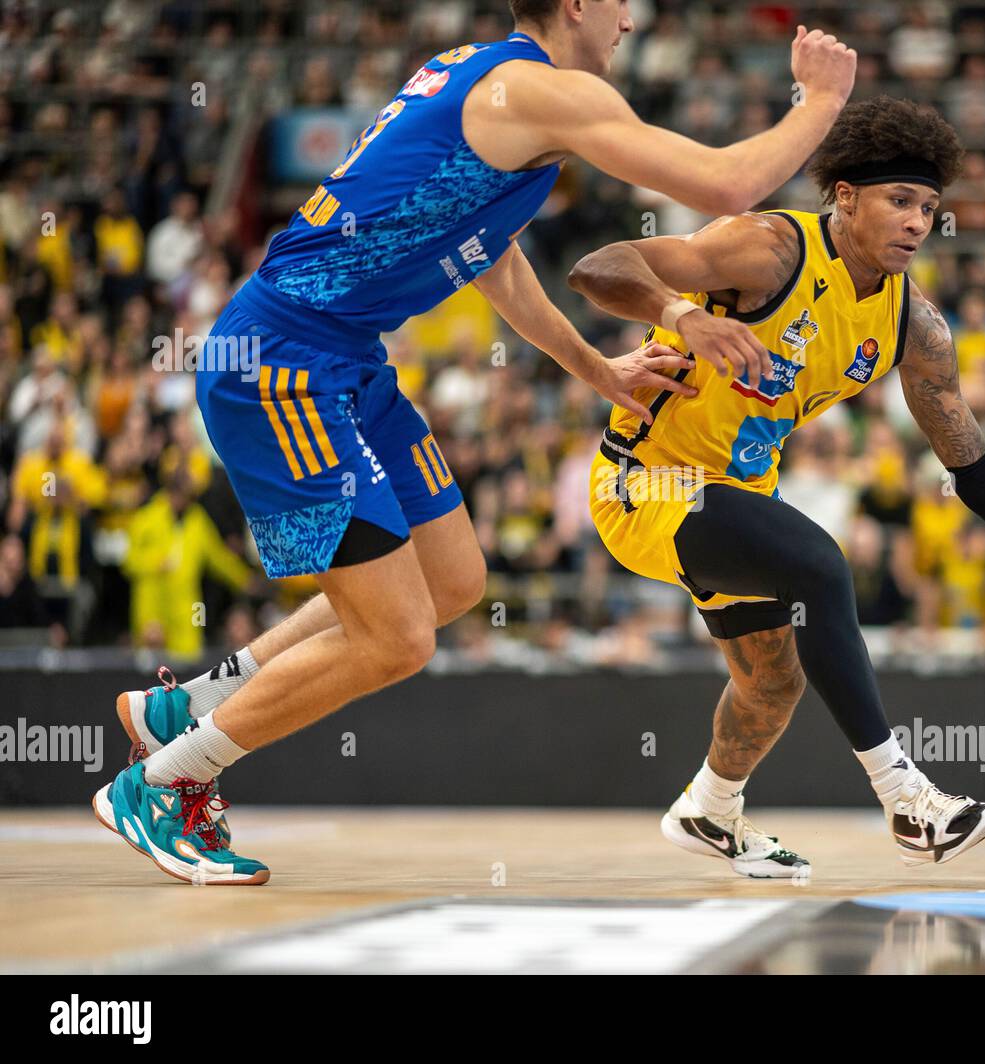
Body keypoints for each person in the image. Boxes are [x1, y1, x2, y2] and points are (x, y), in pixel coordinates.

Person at [92, 0, 856, 885]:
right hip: (280, 364)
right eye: (620, 3)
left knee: (455, 581)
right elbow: (726, 185)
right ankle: (165, 781)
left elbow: (490, 252)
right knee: (396, 639)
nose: (631, 21)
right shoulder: (539, 91)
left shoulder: (484, 78)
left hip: (343, 359)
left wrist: (594, 369)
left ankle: (196, 701)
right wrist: (819, 101)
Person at [569, 97, 985, 876]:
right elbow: (597, 267)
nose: (915, 222)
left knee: (772, 682)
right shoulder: (766, 250)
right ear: (844, 198)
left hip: (734, 500)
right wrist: (681, 315)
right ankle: (907, 802)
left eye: (929, 208)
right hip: (646, 483)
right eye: (900, 201)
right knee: (821, 561)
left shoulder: (915, 325)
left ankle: (709, 809)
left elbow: (973, 467)